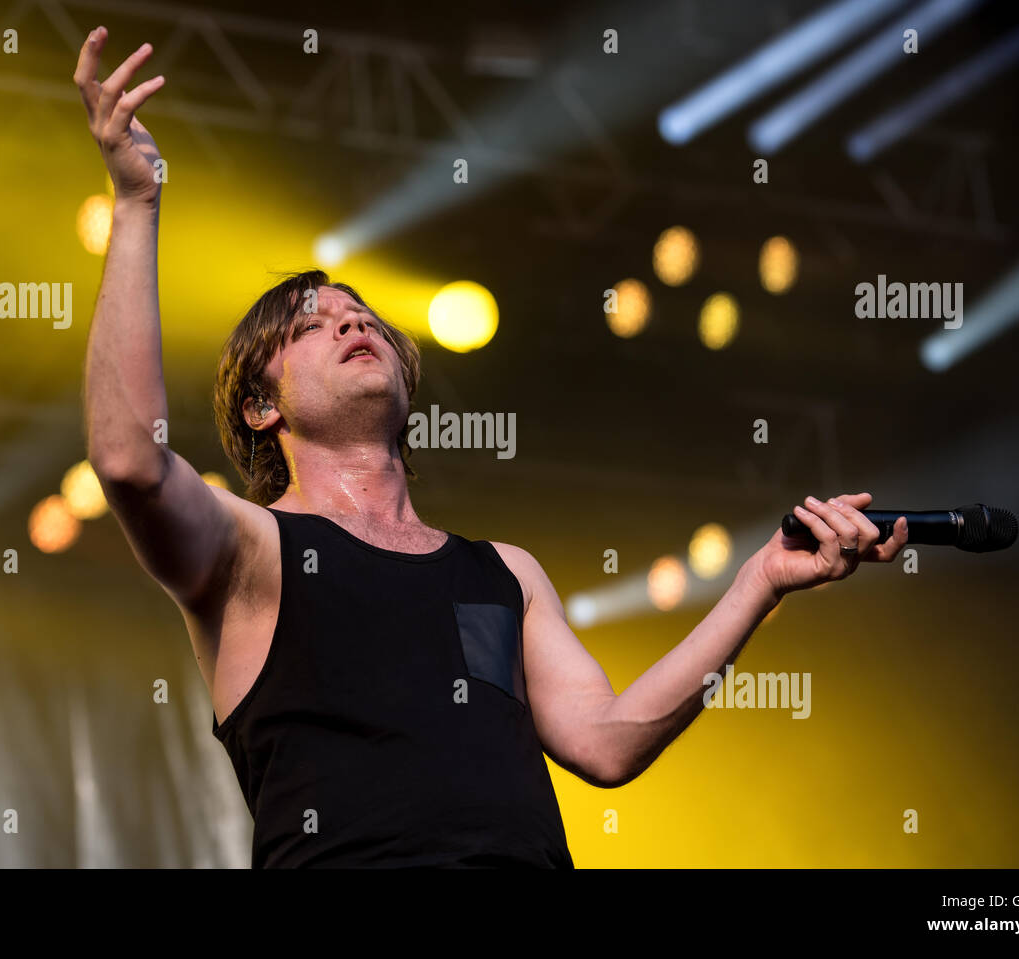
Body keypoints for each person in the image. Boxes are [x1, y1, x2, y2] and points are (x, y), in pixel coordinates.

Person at [74, 26, 910, 868]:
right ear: (261, 407)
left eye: (360, 310)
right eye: (312, 325)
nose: (353, 319)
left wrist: (760, 580)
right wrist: (138, 203)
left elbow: (608, 742)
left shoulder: (503, 572)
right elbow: (127, 460)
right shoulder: (251, 549)